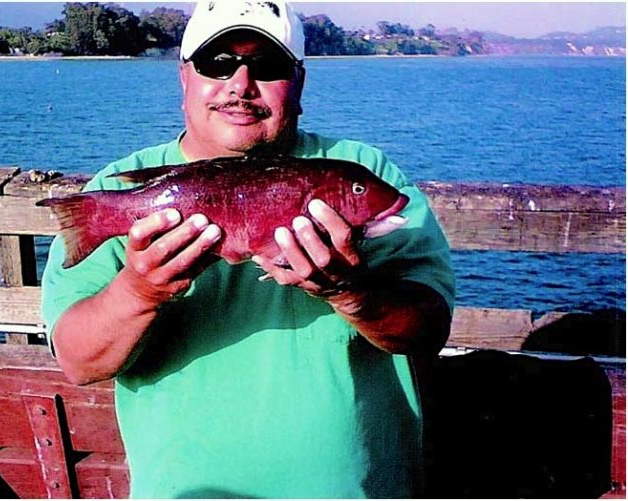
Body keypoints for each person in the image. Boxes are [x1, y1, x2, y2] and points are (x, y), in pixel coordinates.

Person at [40, 0, 455, 497]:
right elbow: (79, 362)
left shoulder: (361, 169)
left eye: (268, 66)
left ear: (299, 83)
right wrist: (139, 291)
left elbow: (428, 330)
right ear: (184, 79)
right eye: (217, 63)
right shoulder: (119, 191)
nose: (240, 85)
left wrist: (352, 293)